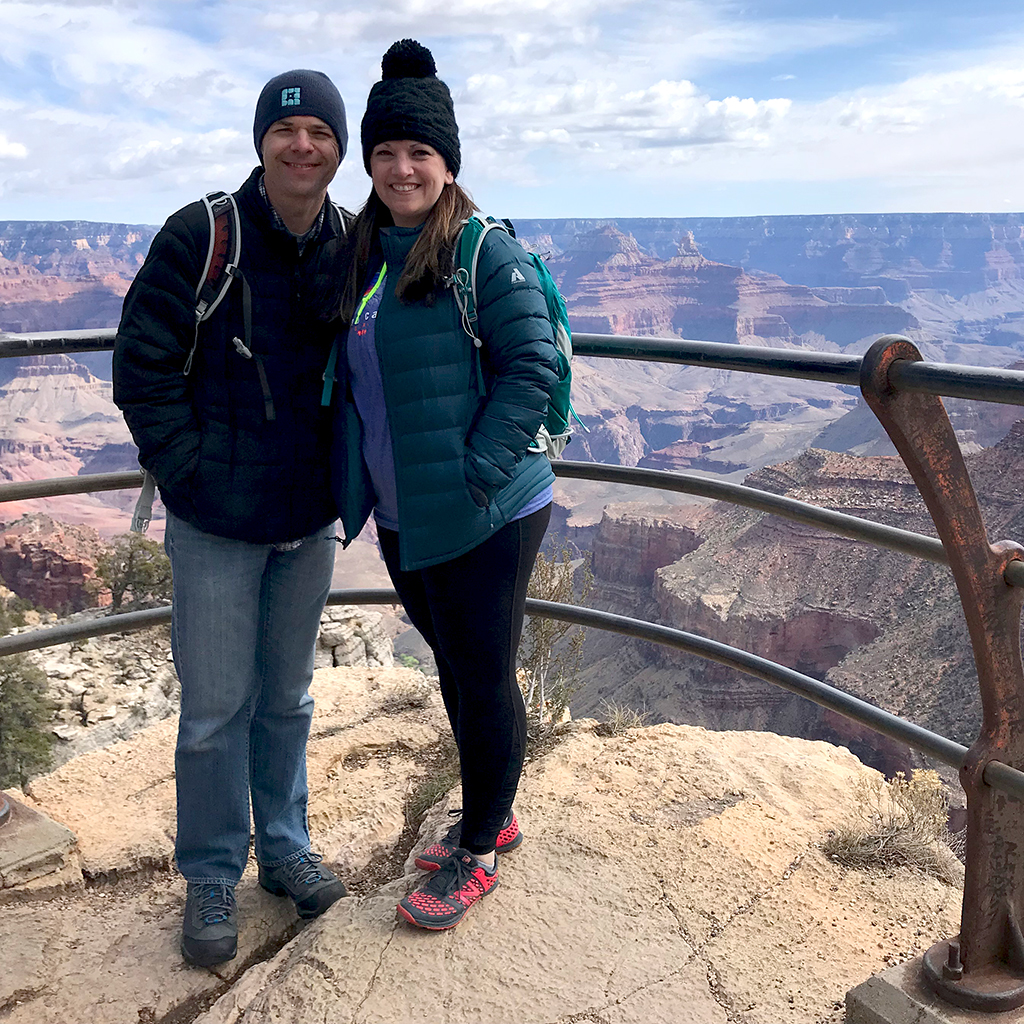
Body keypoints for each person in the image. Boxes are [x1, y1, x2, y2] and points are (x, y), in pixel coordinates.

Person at [113, 70, 351, 967]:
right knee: (217, 706)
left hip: (306, 516)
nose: (302, 145)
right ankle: (212, 869)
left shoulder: (347, 240)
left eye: (319, 132)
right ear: (262, 141)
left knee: (287, 696)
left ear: (337, 148)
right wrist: (190, 476)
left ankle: (283, 846)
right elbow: (142, 366)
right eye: (285, 129)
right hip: (215, 520)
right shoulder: (204, 234)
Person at [330, 39, 559, 930]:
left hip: (483, 507)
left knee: (481, 669)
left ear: (447, 162)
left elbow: (530, 364)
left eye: (417, 153)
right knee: (456, 667)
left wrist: (475, 473)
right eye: (384, 153)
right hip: (404, 510)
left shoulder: (477, 250)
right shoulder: (368, 252)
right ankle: (485, 815)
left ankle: (480, 846)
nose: (400, 168)